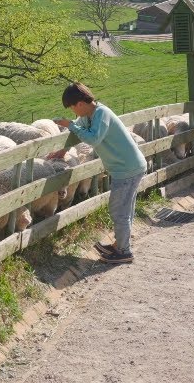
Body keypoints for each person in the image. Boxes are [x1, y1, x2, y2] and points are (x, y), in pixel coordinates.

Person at [46, 81, 146, 264]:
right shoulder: (89, 116)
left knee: (119, 210)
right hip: (126, 168)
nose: (73, 113)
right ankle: (120, 245)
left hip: (127, 169)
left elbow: (93, 139)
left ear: (80, 104)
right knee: (124, 208)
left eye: (72, 108)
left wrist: (71, 125)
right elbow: (78, 133)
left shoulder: (101, 113)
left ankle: (123, 251)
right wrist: (63, 151)